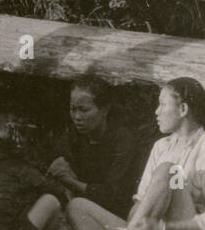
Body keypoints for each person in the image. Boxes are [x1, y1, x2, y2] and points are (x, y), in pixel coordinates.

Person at [66, 77, 205, 230]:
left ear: (183, 110)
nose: (156, 112)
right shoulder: (161, 147)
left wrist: (160, 228)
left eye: (162, 105)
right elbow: (140, 205)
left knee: (169, 171)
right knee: (77, 207)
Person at [46, 75, 143, 219]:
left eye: (84, 110)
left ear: (105, 110)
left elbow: (113, 196)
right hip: (79, 206)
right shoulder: (73, 134)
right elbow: (57, 166)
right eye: (73, 109)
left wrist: (71, 182)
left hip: (113, 214)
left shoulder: (123, 141)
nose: (77, 117)